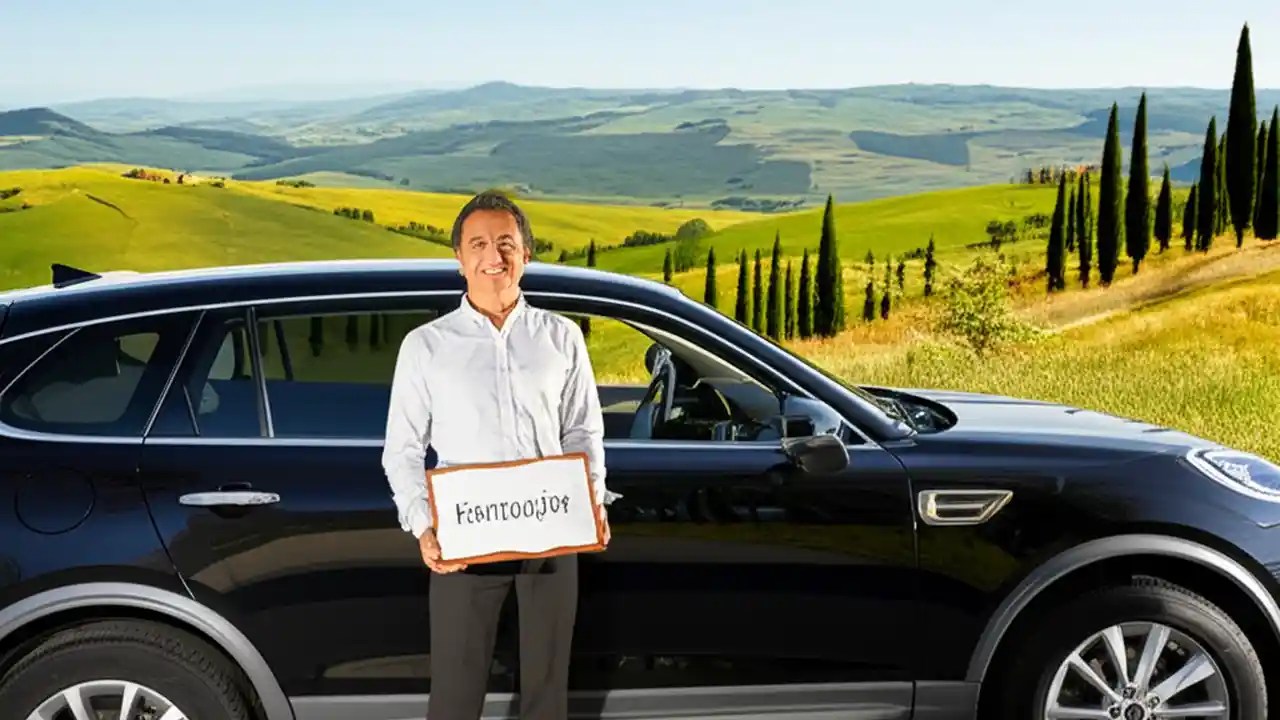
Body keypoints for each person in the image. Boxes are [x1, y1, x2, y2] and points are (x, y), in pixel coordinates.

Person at [381, 190, 612, 720]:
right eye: (479, 244)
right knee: (456, 699)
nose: (494, 257)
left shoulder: (562, 338)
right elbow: (402, 449)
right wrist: (423, 526)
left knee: (547, 696)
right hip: (466, 543)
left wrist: (591, 501)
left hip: (552, 538)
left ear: (526, 254)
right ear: (459, 259)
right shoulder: (426, 346)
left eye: (507, 243)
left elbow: (582, 431)